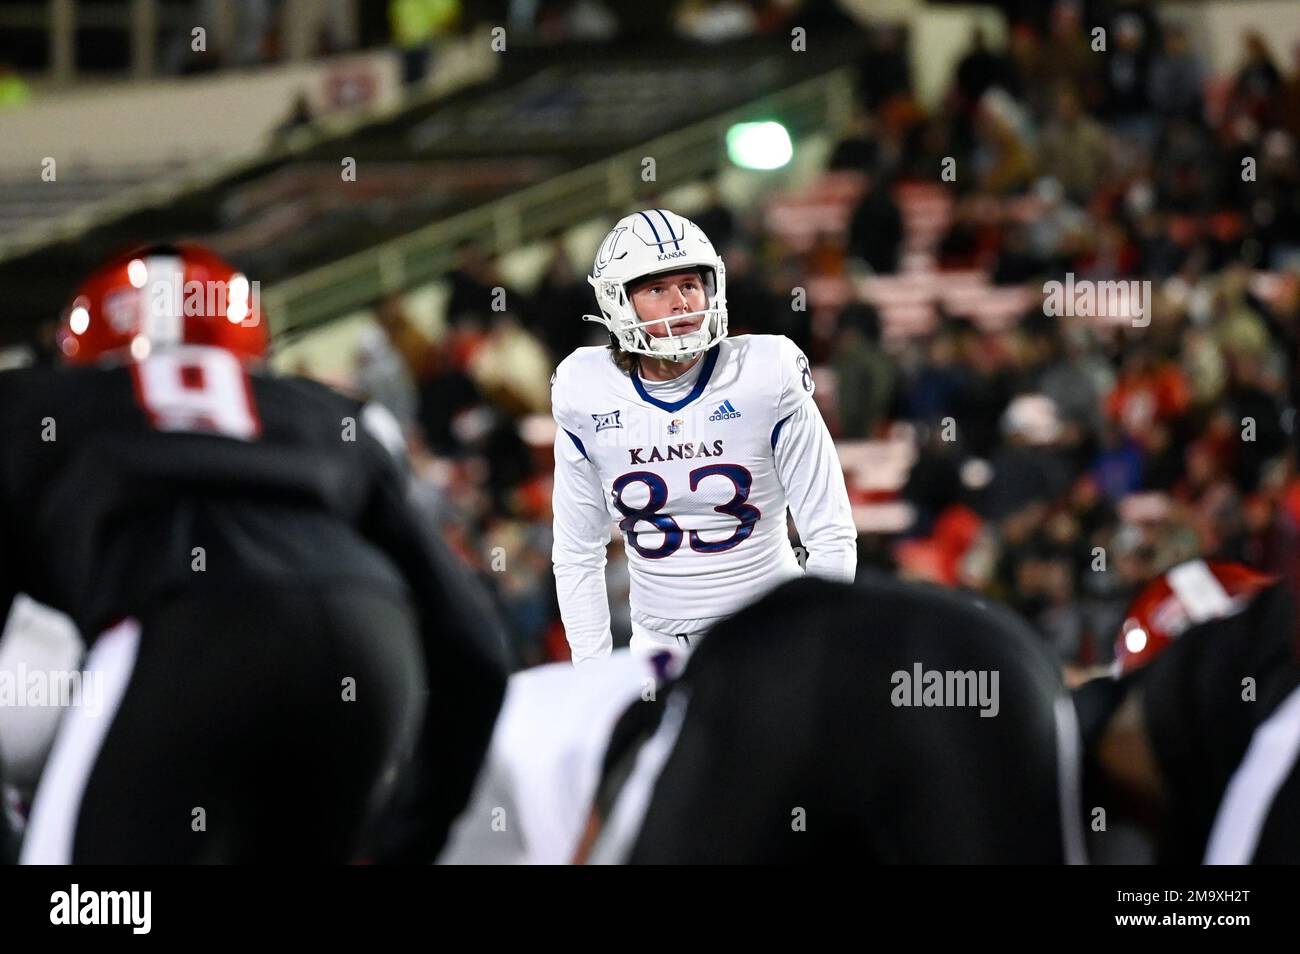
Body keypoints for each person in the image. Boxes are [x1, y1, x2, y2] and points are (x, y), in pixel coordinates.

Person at [0, 243, 507, 863]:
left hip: (183, 633)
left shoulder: (33, 407)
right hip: (367, 636)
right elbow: (475, 646)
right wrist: (411, 842)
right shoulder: (323, 411)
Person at [550, 209, 857, 664]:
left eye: (690, 285)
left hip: (769, 635)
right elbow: (578, 553)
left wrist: (816, 645)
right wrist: (592, 671)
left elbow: (829, 533)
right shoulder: (586, 390)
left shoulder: (764, 374)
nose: (682, 303)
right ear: (618, 302)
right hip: (657, 647)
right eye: (658, 289)